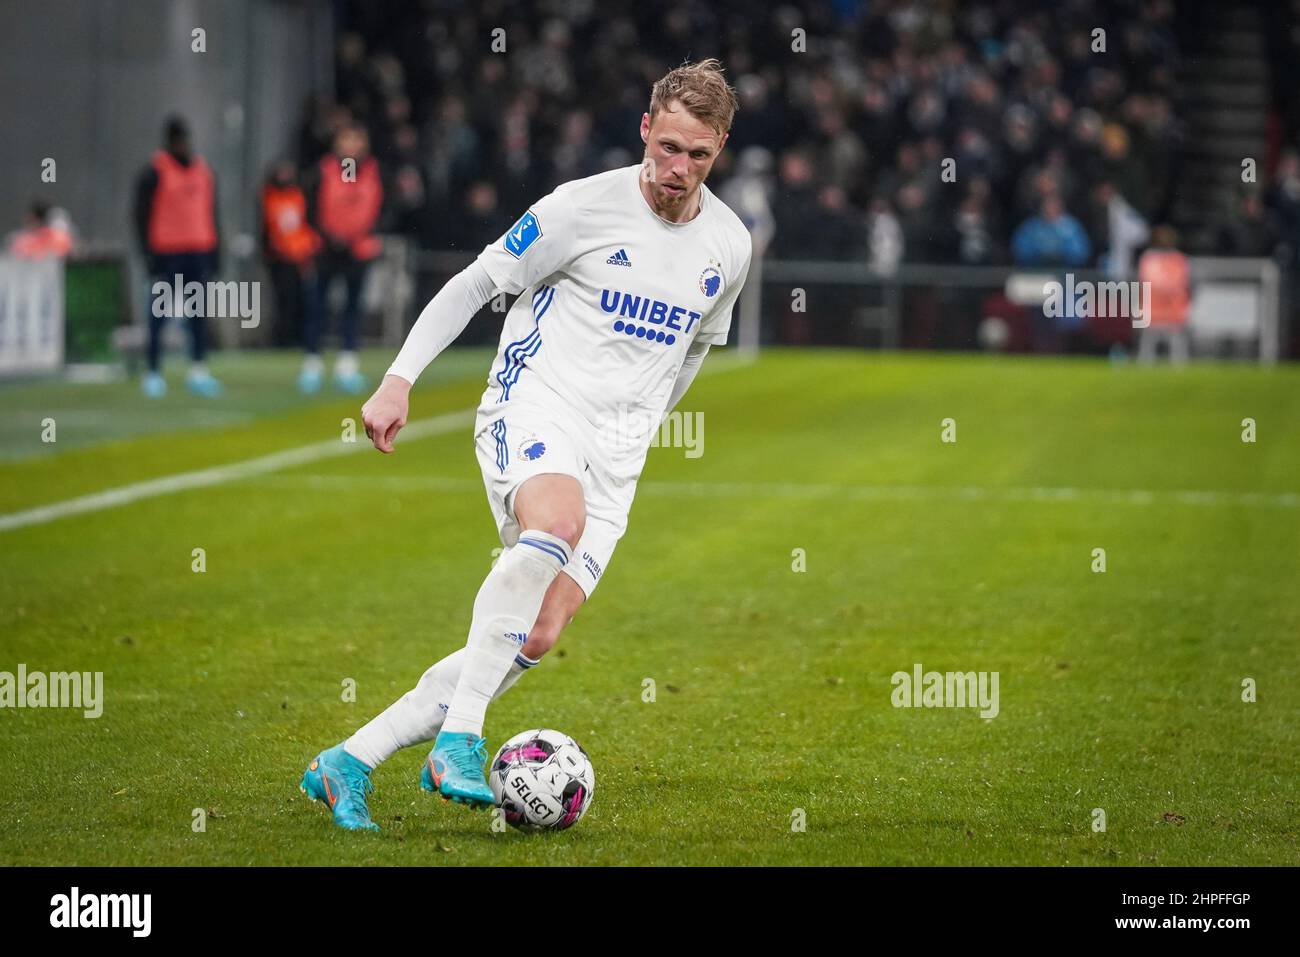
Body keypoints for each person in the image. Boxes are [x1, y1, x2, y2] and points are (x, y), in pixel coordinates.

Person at [300, 59, 753, 830]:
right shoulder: (579, 209)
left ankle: (348, 760)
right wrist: (399, 379)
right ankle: (461, 738)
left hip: (616, 457)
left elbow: (696, 349)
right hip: (535, 404)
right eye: (668, 146)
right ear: (646, 129)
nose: (677, 169)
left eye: (698, 155)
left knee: (533, 632)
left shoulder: (729, 246)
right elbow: (476, 283)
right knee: (556, 522)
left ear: (720, 152)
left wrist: (644, 424)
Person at [133, 117, 222, 398]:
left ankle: (198, 369)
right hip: (167, 253)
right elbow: (140, 214)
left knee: (197, 315)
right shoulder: (154, 172)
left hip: (198, 250)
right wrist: (146, 253)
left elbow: (213, 212)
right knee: (158, 314)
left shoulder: (202, 170)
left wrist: (216, 252)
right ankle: (153, 371)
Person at [300, 124, 383, 394]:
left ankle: (347, 365)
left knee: (352, 308)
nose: (351, 145)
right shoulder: (322, 171)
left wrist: (364, 236)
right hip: (326, 249)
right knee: (317, 306)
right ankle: (312, 364)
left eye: (356, 138)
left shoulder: (374, 171)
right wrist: (326, 237)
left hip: (358, 251)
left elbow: (385, 208)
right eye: (346, 138)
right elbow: (309, 207)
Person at [260, 161, 321, 349]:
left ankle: (299, 337)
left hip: (300, 255)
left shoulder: (297, 195)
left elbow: (303, 224)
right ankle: (283, 338)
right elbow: (269, 227)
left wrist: (309, 250)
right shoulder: (269, 196)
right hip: (280, 257)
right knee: (284, 300)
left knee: (302, 299)